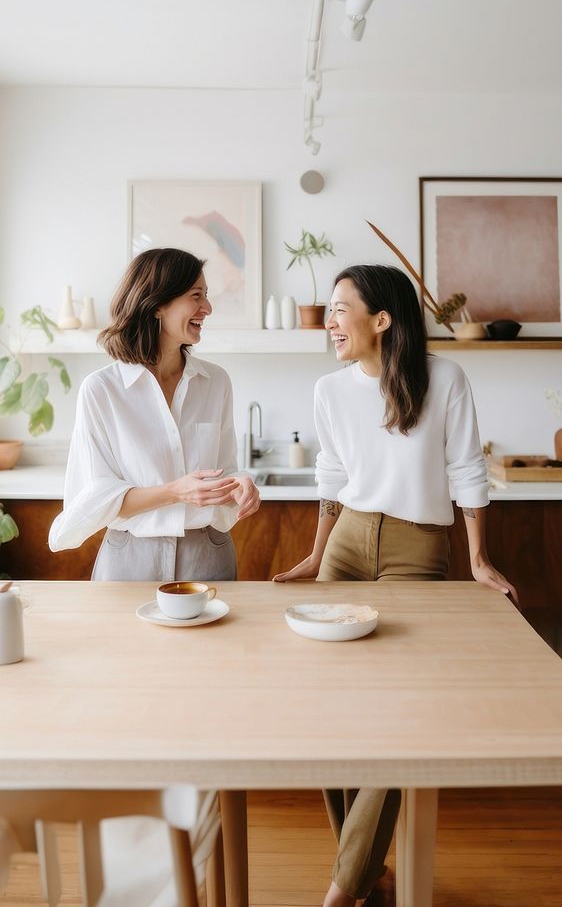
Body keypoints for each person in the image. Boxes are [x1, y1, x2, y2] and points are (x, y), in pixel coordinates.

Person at [273, 264, 518, 907]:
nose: (328, 322)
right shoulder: (329, 389)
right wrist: (315, 553)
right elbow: (330, 474)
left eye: (338, 309)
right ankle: (363, 871)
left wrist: (479, 559)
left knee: (397, 715)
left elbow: (467, 469)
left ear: (381, 320)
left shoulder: (445, 378)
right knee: (330, 713)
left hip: (417, 548)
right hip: (347, 544)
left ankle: (345, 885)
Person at [49, 247, 260, 580]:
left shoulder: (216, 382)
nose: (208, 308)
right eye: (196, 296)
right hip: (130, 557)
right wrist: (176, 492)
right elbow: (98, 498)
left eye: (206, 296)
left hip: (208, 554)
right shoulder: (102, 390)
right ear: (158, 304)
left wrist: (240, 483)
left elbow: (224, 469)